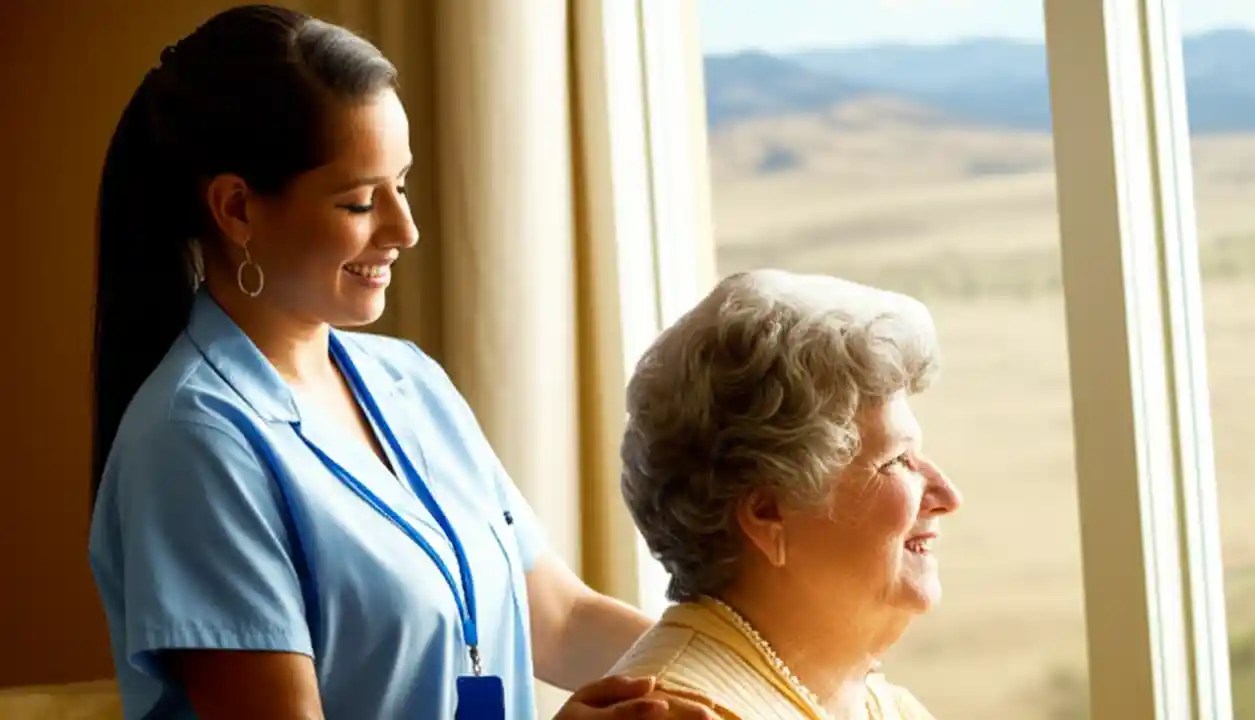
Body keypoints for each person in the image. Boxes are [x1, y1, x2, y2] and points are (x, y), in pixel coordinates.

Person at [88, 5, 712, 718]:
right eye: (358, 203)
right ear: (237, 209)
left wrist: (751, 685)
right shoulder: (192, 446)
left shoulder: (410, 383)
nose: (404, 230)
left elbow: (562, 620)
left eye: (402, 186)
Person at [609, 270, 964, 719]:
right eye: (896, 462)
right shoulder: (672, 713)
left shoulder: (879, 705)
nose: (947, 496)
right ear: (768, 512)